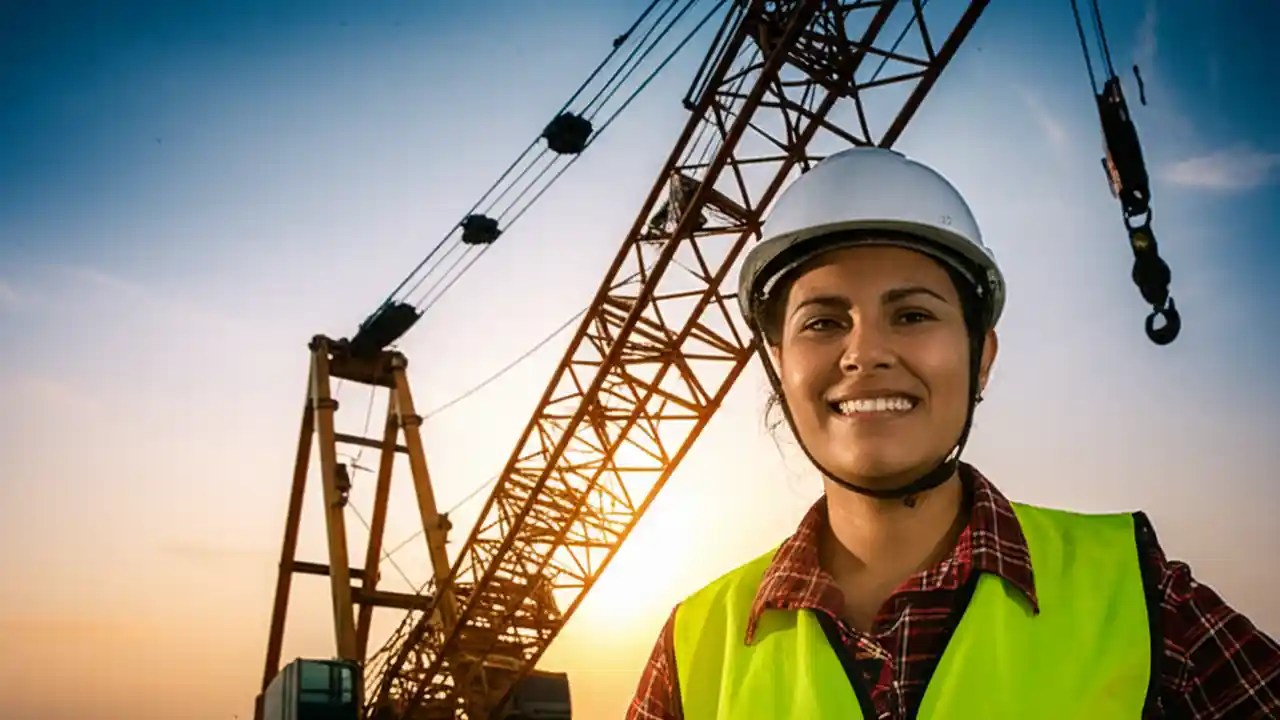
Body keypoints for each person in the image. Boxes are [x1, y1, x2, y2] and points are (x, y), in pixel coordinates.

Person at [626, 147, 1280, 719]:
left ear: (982, 356)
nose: (865, 353)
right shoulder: (694, 647)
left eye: (911, 314)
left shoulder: (1142, 596)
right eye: (823, 322)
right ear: (778, 369)